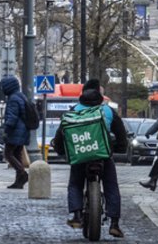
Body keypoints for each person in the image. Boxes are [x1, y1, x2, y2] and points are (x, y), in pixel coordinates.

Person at [56, 78, 128, 238]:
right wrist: (120, 148)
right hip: (103, 156)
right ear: (99, 96)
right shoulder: (107, 111)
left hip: (80, 156)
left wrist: (61, 150)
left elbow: (61, 134)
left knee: (75, 184)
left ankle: (76, 215)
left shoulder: (74, 110)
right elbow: (120, 133)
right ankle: (114, 223)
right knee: (111, 186)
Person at [0, 74, 32, 189]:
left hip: (16, 131)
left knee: (8, 153)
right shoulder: (21, 96)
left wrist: (5, 131)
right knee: (17, 155)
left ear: (8, 87)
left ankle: (22, 174)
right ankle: (18, 182)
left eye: (3, 86)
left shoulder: (13, 99)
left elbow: (12, 118)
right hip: (23, 130)